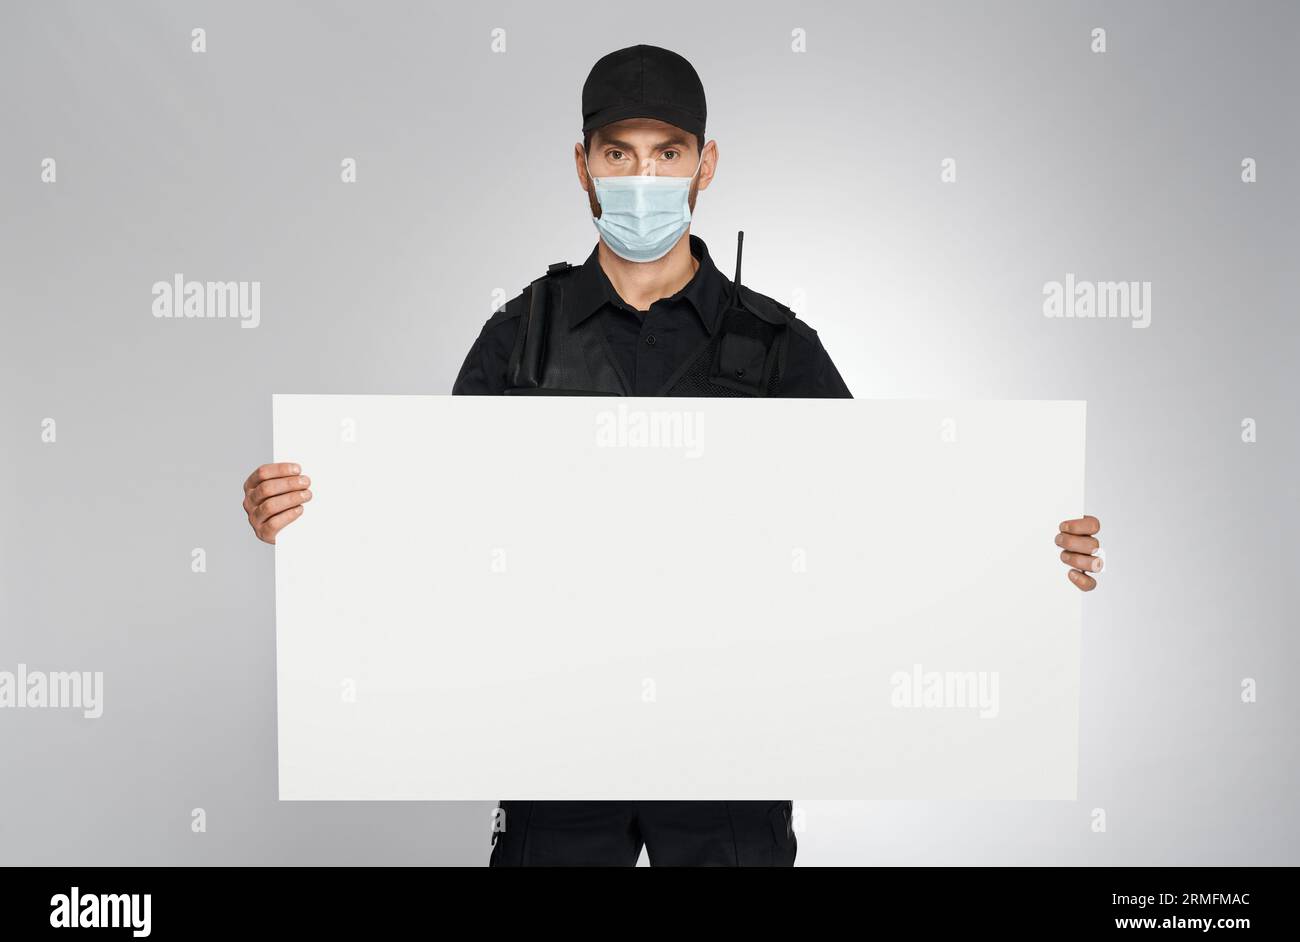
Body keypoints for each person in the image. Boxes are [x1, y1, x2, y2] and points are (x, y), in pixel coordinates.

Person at [241, 45, 1104, 866]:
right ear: (582, 164)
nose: (643, 177)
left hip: (730, 751)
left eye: (668, 152)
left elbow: (877, 522)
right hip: (556, 743)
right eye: (618, 153)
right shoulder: (519, 338)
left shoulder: (778, 349)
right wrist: (311, 519)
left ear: (706, 163)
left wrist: (1023, 548)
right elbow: (435, 523)